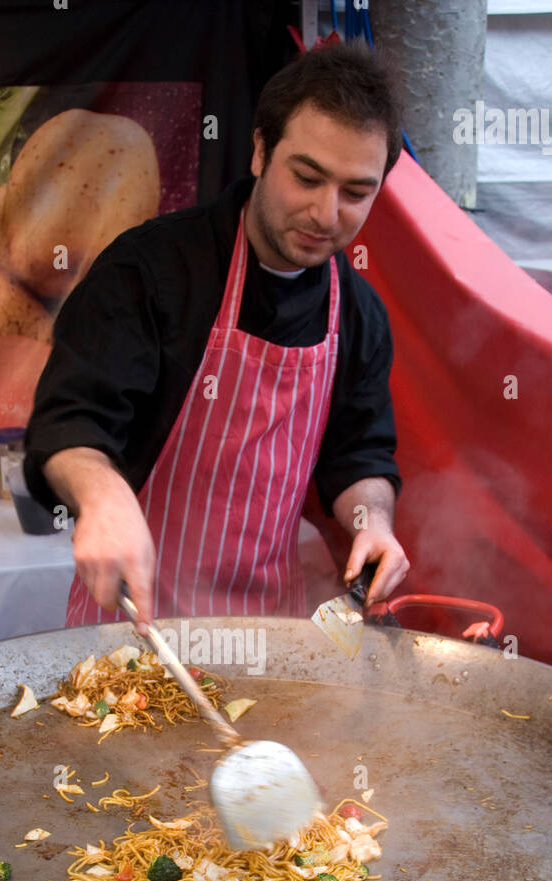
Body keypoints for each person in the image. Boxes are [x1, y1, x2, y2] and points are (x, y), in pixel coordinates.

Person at [24, 41, 410, 632]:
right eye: (306, 177)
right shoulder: (149, 272)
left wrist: (371, 523)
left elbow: (358, 454)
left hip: (273, 634)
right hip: (140, 626)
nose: (326, 214)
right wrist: (101, 494)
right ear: (260, 150)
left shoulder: (357, 313)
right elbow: (72, 423)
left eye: (356, 192)